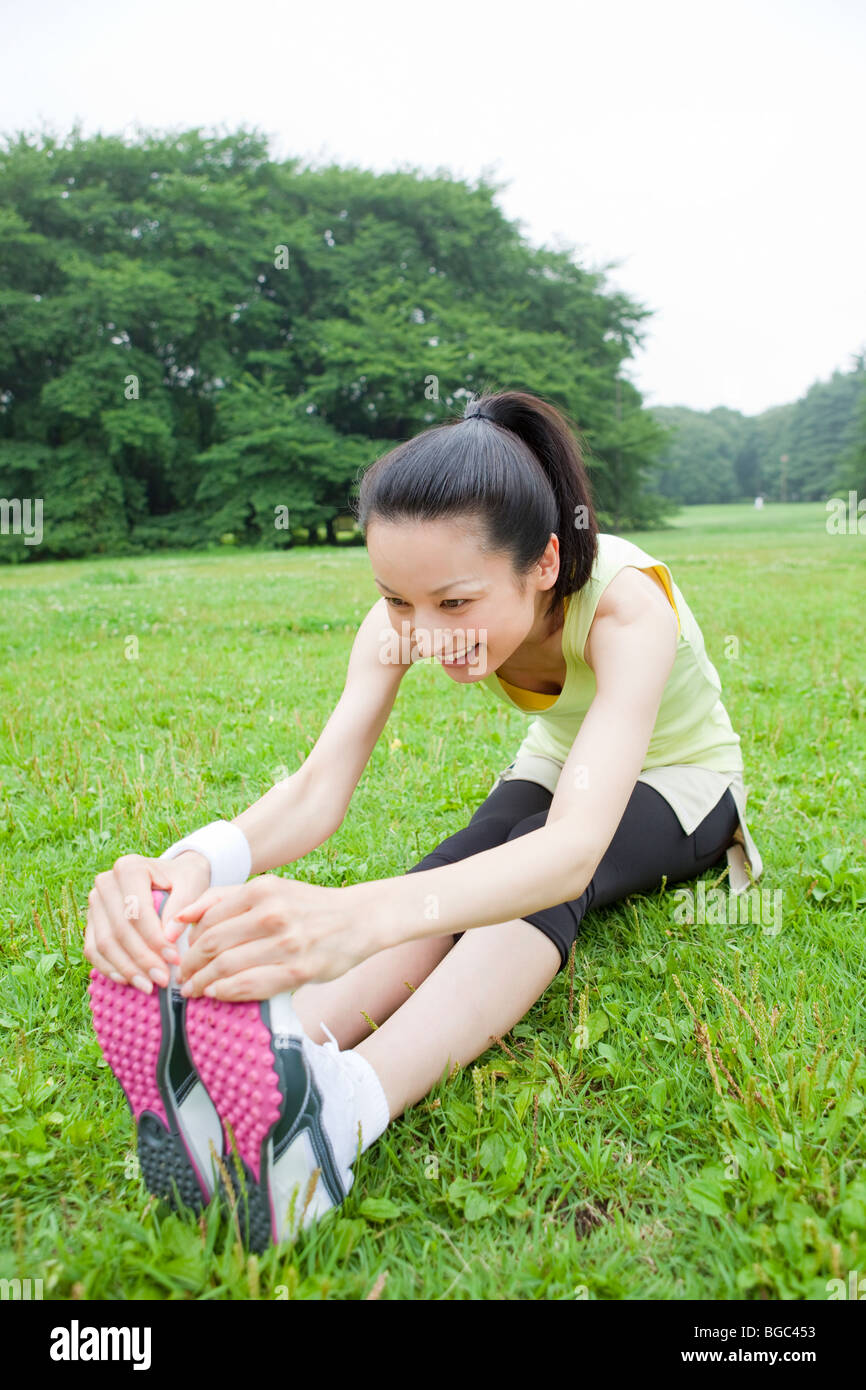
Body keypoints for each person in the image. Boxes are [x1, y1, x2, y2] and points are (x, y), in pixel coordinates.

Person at [84, 388, 763, 1251]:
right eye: (397, 601)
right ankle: (282, 1056)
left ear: (546, 563)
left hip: (684, 781)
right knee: (459, 863)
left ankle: (342, 1113)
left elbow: (569, 851)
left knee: (536, 871)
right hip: (560, 760)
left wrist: (356, 915)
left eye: (453, 603)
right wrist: (195, 862)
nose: (421, 633)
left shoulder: (630, 608)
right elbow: (318, 788)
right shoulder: (406, 613)